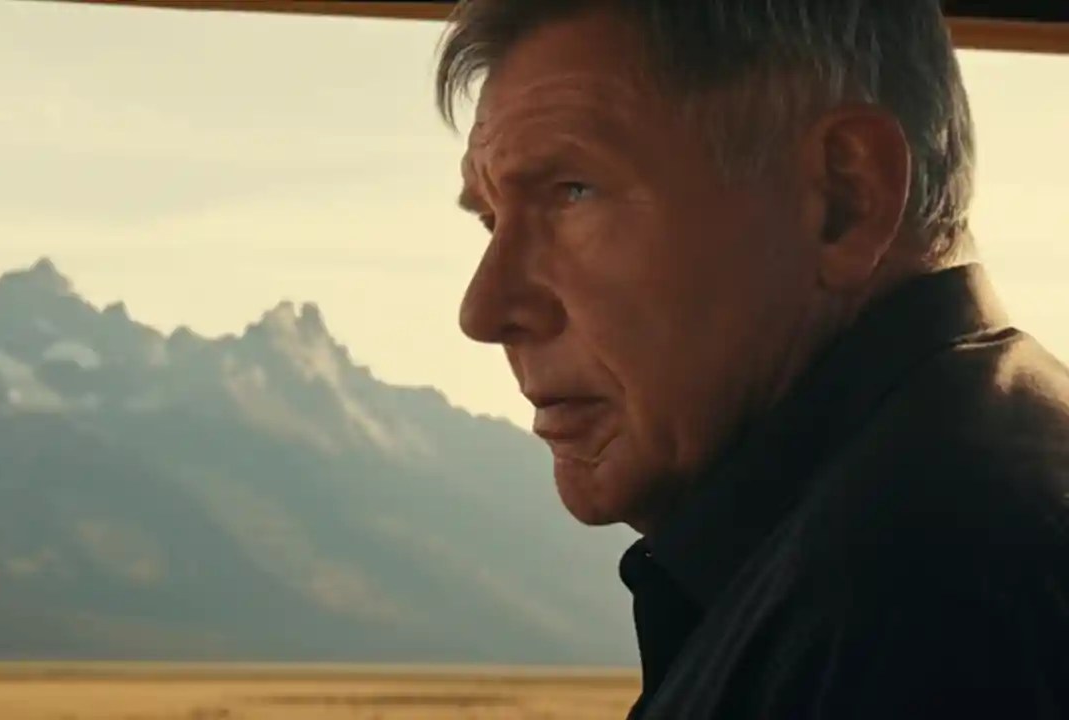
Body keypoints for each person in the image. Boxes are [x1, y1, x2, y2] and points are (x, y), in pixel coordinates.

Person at [435, 1, 1069, 718]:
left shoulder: (917, 599)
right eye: (491, 219)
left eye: (573, 192)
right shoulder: (962, 495)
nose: (484, 311)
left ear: (842, 198)